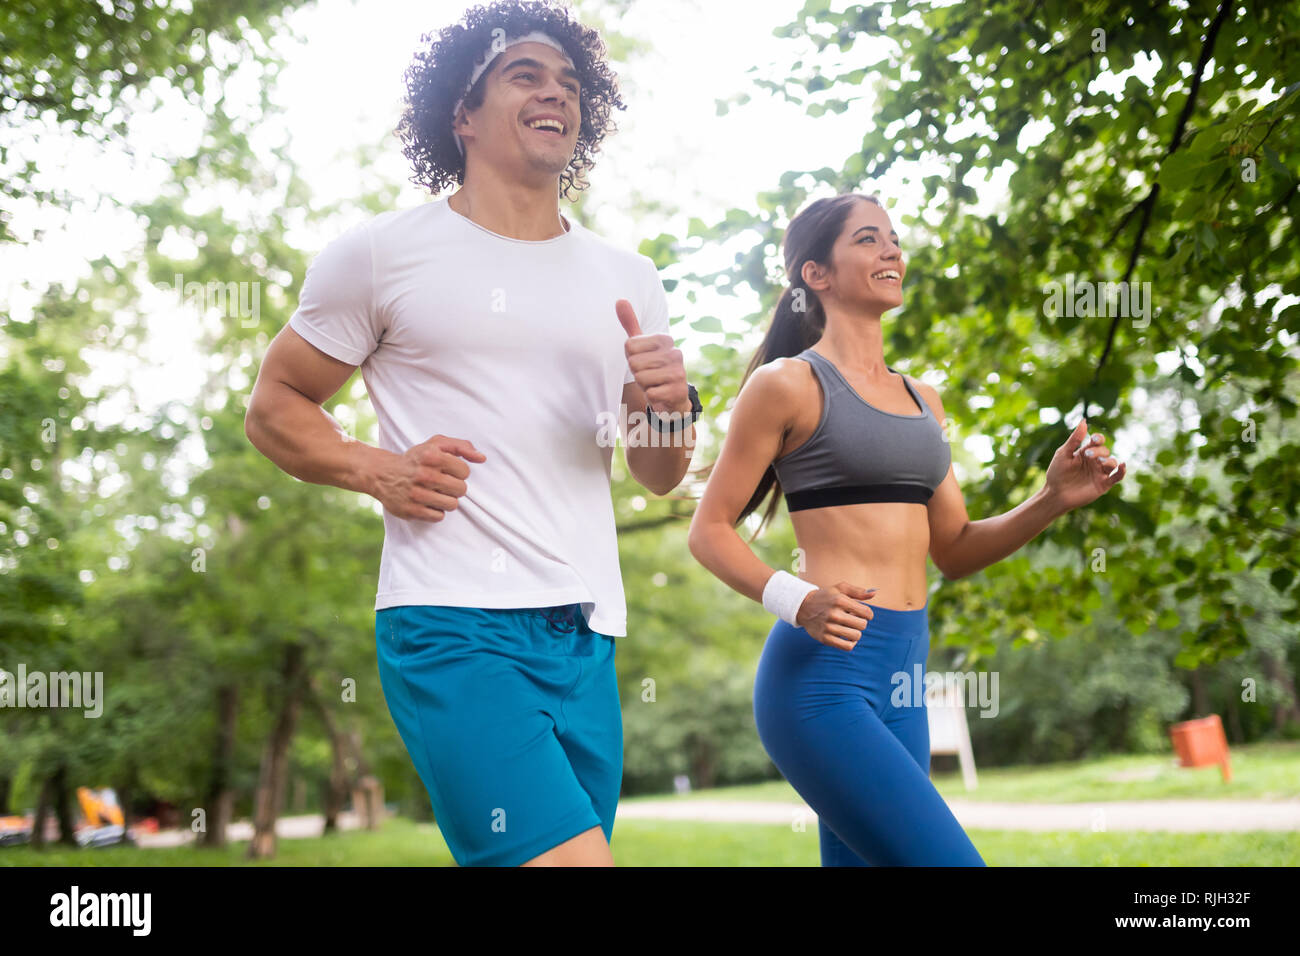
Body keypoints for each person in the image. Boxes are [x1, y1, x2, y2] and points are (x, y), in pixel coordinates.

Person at [244, 0, 701, 867]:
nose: (554, 93)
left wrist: (667, 407)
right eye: (524, 75)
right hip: (453, 624)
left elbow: (656, 473)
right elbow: (274, 405)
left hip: (588, 628)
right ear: (462, 114)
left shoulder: (629, 276)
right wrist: (375, 469)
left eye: (569, 82)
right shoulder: (381, 255)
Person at [687, 192, 1127, 866]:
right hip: (821, 683)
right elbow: (709, 530)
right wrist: (796, 599)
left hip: (902, 680)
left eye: (892, 238)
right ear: (817, 274)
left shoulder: (926, 400)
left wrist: (1051, 499)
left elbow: (953, 549)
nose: (891, 250)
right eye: (868, 239)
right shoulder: (788, 385)